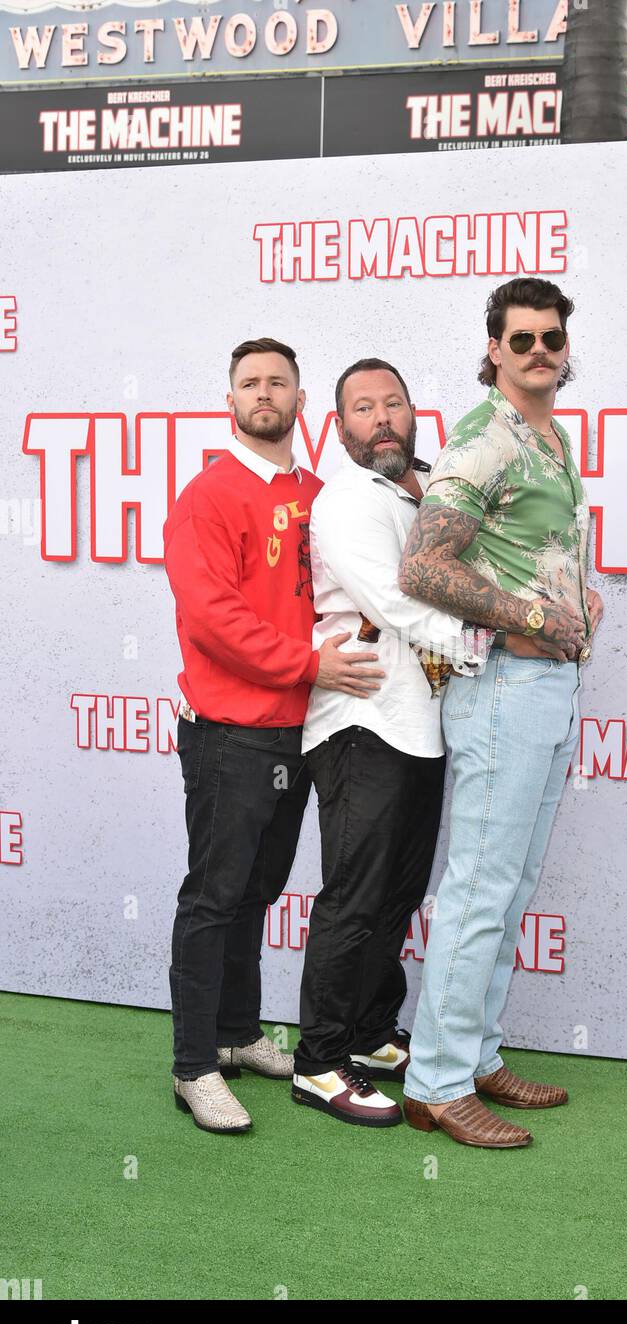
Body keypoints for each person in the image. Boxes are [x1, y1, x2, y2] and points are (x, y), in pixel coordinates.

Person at [398, 278, 605, 1149]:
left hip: (548, 687)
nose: (536, 353)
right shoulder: (484, 439)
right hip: (502, 691)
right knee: (481, 890)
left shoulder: (551, 438)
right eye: (519, 340)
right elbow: (420, 568)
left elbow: (531, 553)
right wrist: (529, 618)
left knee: (509, 887)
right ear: (493, 350)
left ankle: (476, 1056)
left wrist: (579, 602)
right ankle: (435, 1085)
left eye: (549, 339)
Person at [164, 337, 383, 1135]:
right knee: (213, 898)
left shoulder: (321, 492)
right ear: (230, 400)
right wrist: (309, 663)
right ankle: (193, 1068)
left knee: (256, 893)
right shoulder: (208, 496)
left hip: (298, 729)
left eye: (278, 382)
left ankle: (238, 1033)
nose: (264, 394)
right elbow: (214, 621)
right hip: (229, 733)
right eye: (249, 383)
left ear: (298, 399)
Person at [291, 358, 511, 1127]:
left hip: (416, 723)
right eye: (361, 408)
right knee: (355, 895)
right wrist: (489, 640)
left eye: (392, 403)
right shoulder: (347, 500)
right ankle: (317, 1062)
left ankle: (372, 1034)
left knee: (397, 893)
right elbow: (393, 599)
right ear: (339, 424)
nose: (380, 417)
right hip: (361, 723)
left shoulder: (419, 487)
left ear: (415, 413)